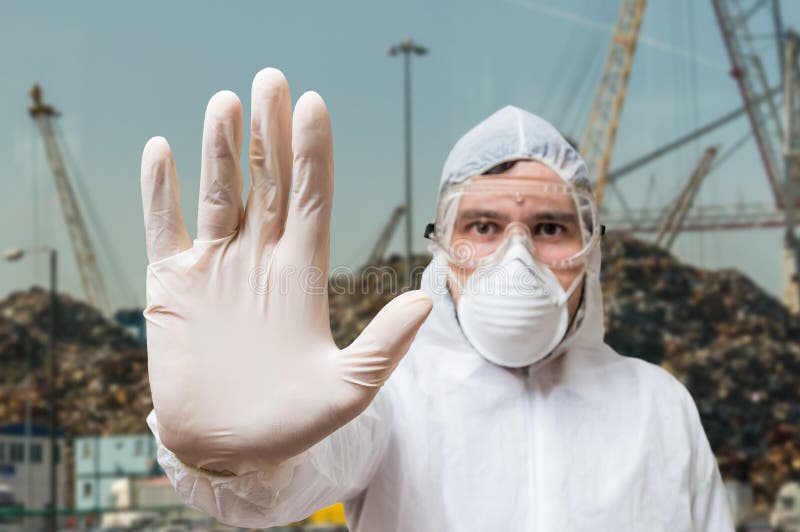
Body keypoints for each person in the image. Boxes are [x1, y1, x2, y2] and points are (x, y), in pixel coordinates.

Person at [140, 68, 733, 531]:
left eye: (551, 228)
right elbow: (290, 483)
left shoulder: (658, 407)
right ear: (441, 247)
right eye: (483, 226)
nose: (516, 256)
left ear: (591, 251)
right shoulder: (388, 396)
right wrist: (220, 456)